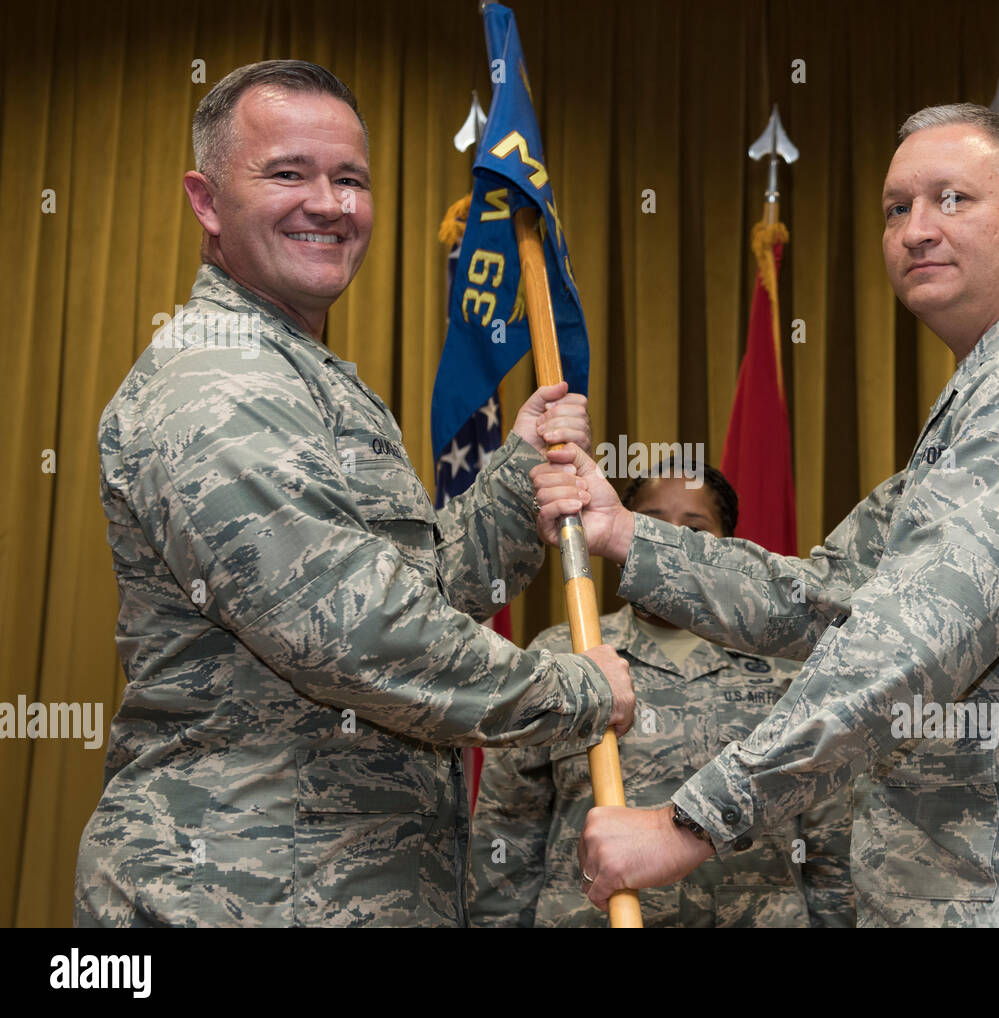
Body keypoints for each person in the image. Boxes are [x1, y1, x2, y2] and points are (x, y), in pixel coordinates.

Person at [533, 103, 999, 927]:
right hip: (961, 892)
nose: (917, 230)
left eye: (952, 200)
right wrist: (627, 536)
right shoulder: (984, 399)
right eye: (898, 209)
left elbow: (913, 640)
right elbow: (824, 598)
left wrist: (690, 822)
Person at [75, 59, 633, 928]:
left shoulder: (308, 375)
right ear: (207, 200)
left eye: (350, 180)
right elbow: (355, 634)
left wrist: (520, 473)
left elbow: (419, 595)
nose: (330, 204)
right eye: (288, 174)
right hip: (241, 894)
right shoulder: (219, 383)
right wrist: (575, 694)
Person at [469, 465, 854, 927]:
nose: (670, 540)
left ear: (725, 549)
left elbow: (829, 835)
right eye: (650, 522)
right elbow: (508, 827)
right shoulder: (563, 656)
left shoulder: (790, 669)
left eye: (693, 530)